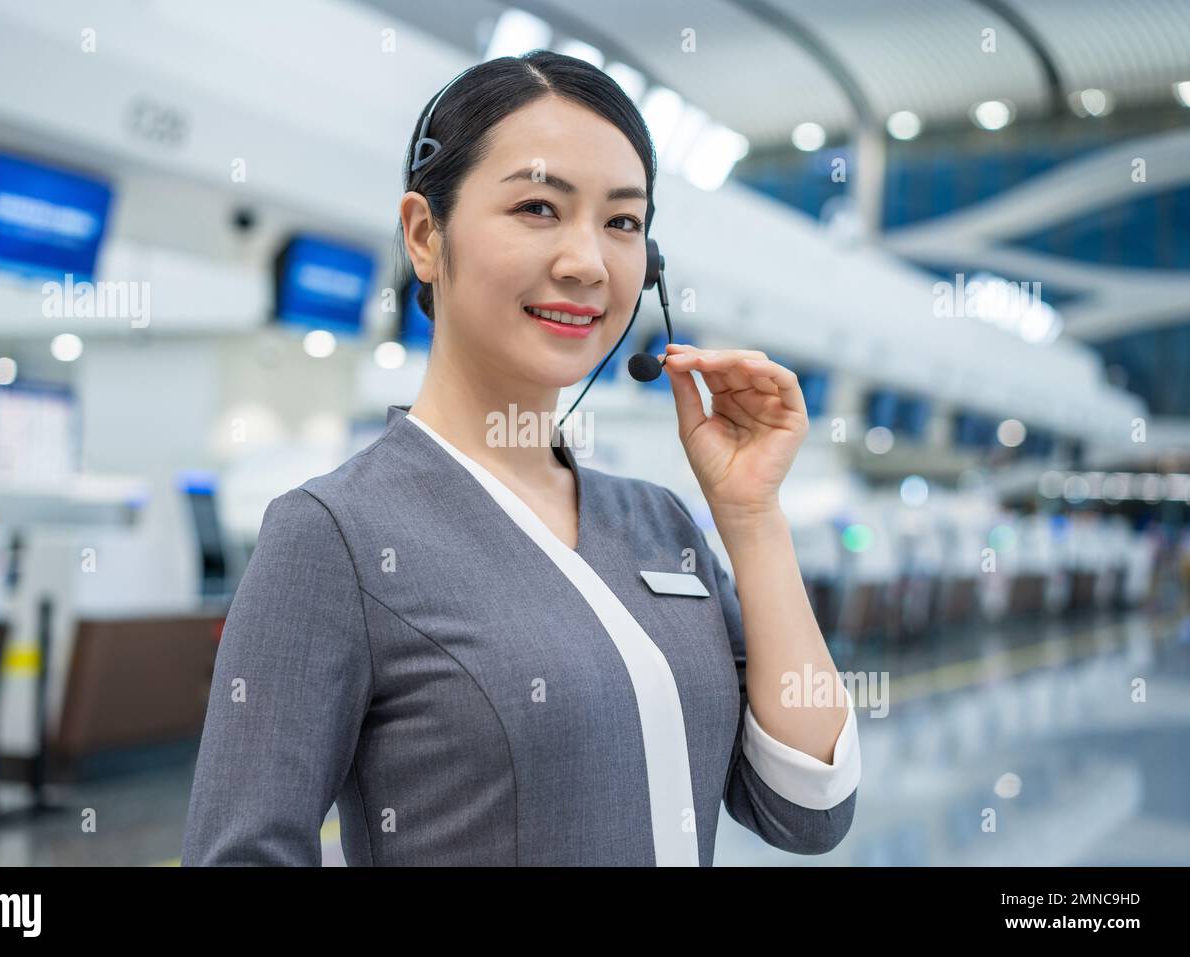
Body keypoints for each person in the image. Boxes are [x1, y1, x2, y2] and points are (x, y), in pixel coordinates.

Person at [181, 50, 859, 867]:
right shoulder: (335, 534)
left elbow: (807, 809)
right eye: (539, 207)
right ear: (426, 236)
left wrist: (752, 517)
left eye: (622, 222)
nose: (587, 262)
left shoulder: (659, 521)